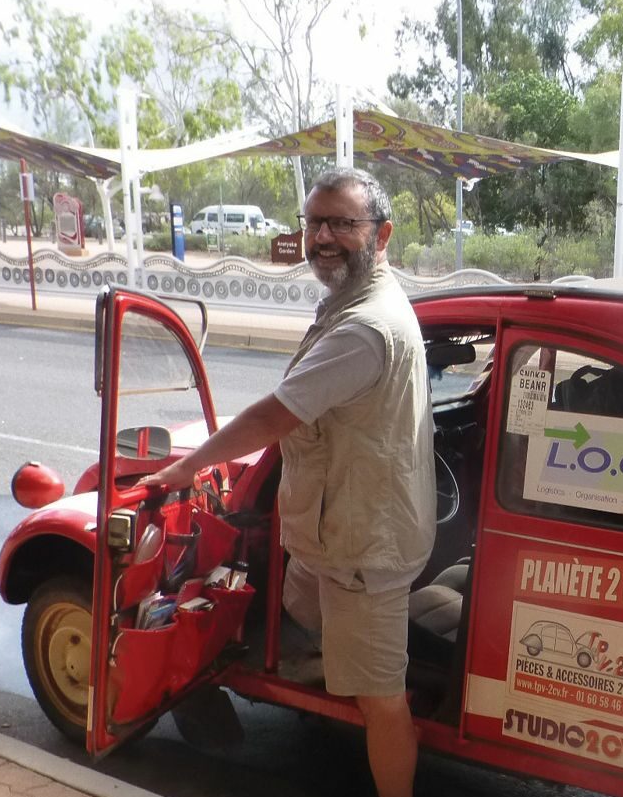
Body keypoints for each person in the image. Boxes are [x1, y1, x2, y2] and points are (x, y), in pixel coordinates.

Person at [138, 167, 434, 797]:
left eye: (343, 224)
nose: (324, 236)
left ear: (381, 235)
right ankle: (318, 673)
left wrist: (190, 466)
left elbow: (276, 414)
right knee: (295, 601)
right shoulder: (353, 302)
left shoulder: (363, 327)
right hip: (338, 530)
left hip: (361, 548)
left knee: (382, 702)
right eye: (315, 222)